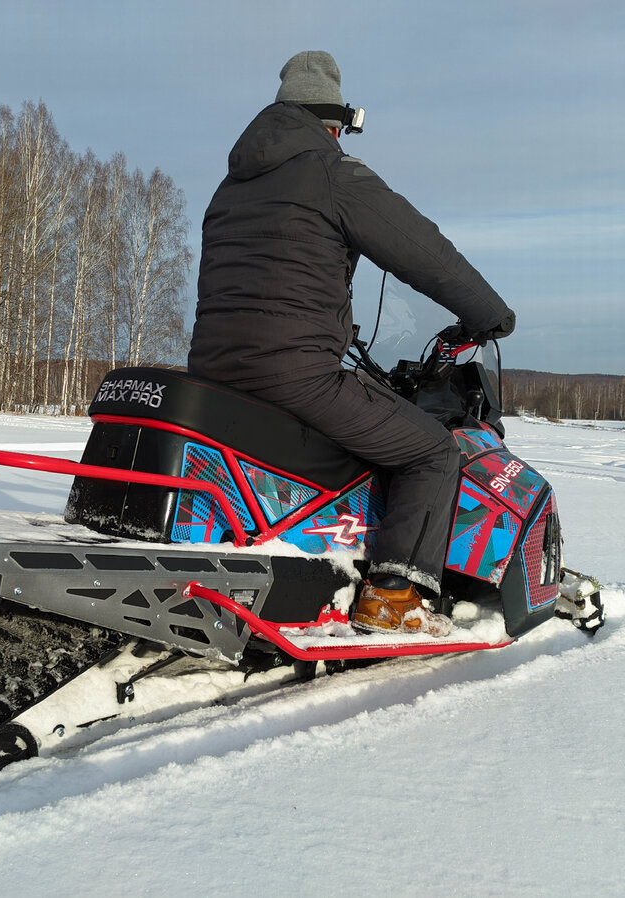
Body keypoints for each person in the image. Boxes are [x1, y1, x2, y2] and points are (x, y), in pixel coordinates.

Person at [188, 50, 516, 636]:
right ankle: (391, 595)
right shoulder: (333, 174)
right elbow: (424, 251)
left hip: (214, 373)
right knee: (431, 452)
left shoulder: (229, 186)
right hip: (297, 373)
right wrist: (489, 314)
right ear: (333, 122)